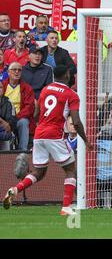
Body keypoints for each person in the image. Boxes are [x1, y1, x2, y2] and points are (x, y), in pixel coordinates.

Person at [3, 65, 92, 215]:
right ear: (67, 75)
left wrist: (41, 124)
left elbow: (37, 112)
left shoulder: (45, 90)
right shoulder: (71, 94)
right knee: (71, 171)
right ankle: (66, 207)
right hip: (54, 134)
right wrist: (85, 140)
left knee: (39, 172)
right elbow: (75, 121)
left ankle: (15, 189)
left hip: (39, 134)